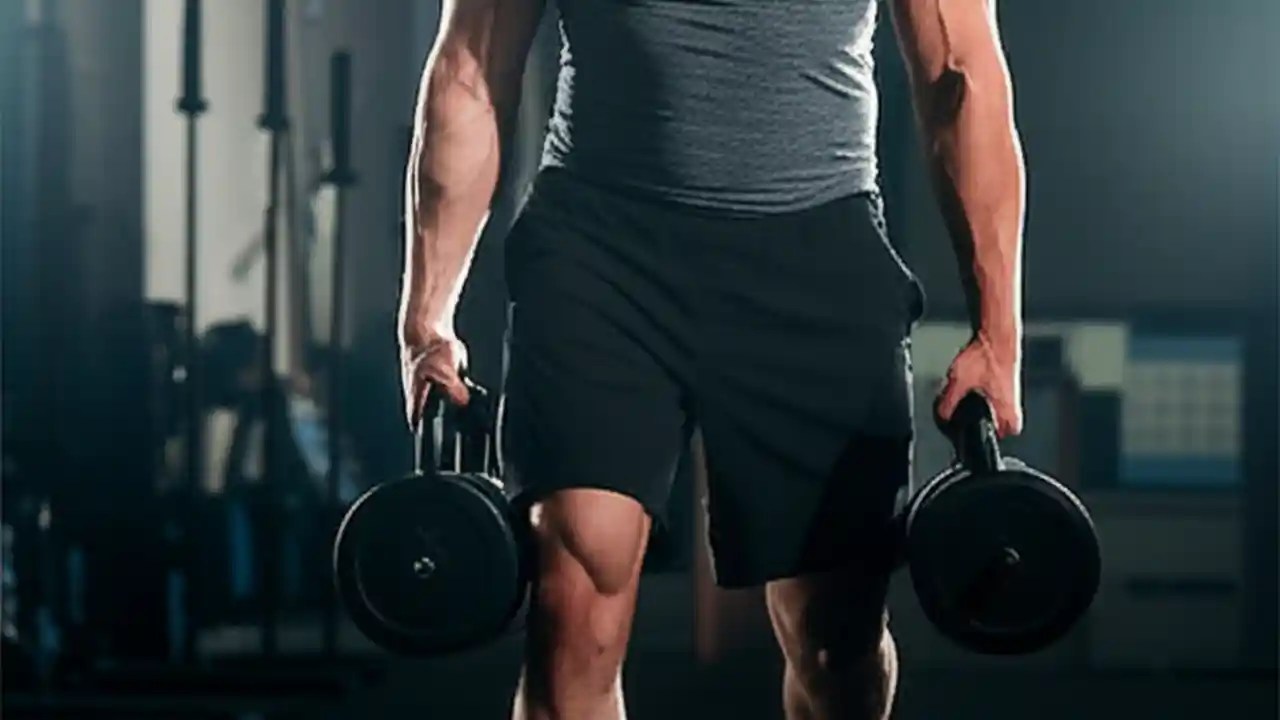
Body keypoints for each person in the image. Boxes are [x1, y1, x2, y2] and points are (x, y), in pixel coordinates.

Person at [397, 0, 1025, 717]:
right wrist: (427, 317)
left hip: (814, 257)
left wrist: (997, 330)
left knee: (835, 641)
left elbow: (958, 73)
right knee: (573, 609)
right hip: (601, 256)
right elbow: (472, 69)